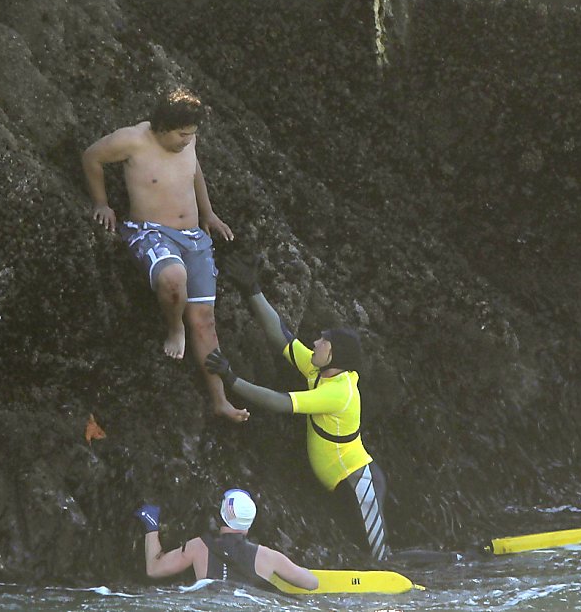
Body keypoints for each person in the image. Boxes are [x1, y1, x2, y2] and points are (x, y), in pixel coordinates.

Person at [205, 255, 391, 561]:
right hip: (340, 487)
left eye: (323, 342)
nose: (316, 342)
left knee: (382, 560)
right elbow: (282, 338)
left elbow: (279, 402)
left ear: (335, 357)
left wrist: (231, 379)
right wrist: (253, 290)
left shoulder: (339, 391)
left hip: (359, 484)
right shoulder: (319, 370)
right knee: (361, 552)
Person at [82, 87, 248, 423]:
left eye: (192, 135)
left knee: (206, 321)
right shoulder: (132, 140)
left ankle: (220, 400)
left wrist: (209, 213)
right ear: (162, 125)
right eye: (182, 135)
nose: (187, 141)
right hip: (150, 231)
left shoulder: (189, 141)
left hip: (193, 237)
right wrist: (102, 203)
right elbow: (91, 157)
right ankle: (175, 328)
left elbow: (195, 170)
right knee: (173, 279)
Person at [134, 489, 318, 590]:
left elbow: (154, 569)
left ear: (220, 515)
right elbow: (311, 584)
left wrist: (151, 526)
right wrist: (294, 569)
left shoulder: (199, 547)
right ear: (249, 523)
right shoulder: (268, 557)